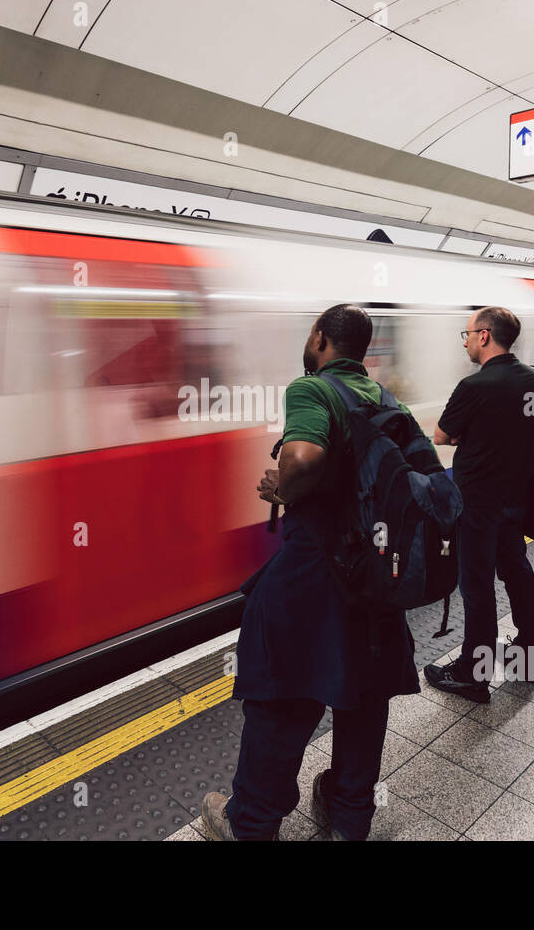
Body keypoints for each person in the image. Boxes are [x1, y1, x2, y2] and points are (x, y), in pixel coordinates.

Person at [201, 304, 423, 841]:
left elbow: (301, 457)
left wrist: (284, 487)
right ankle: (349, 816)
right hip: (376, 577)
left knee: (282, 700)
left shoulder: (312, 390)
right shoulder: (388, 401)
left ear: (321, 339)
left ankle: (251, 821)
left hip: (315, 575)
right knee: (365, 700)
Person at [422, 306, 534, 703]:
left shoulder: (475, 386)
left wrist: (468, 437)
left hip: (478, 501)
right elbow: (518, 428)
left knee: (476, 586)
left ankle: (473, 675)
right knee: (517, 571)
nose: (465, 340)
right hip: (517, 496)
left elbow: (441, 435)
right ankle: (527, 656)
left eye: (468, 333)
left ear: (485, 336)